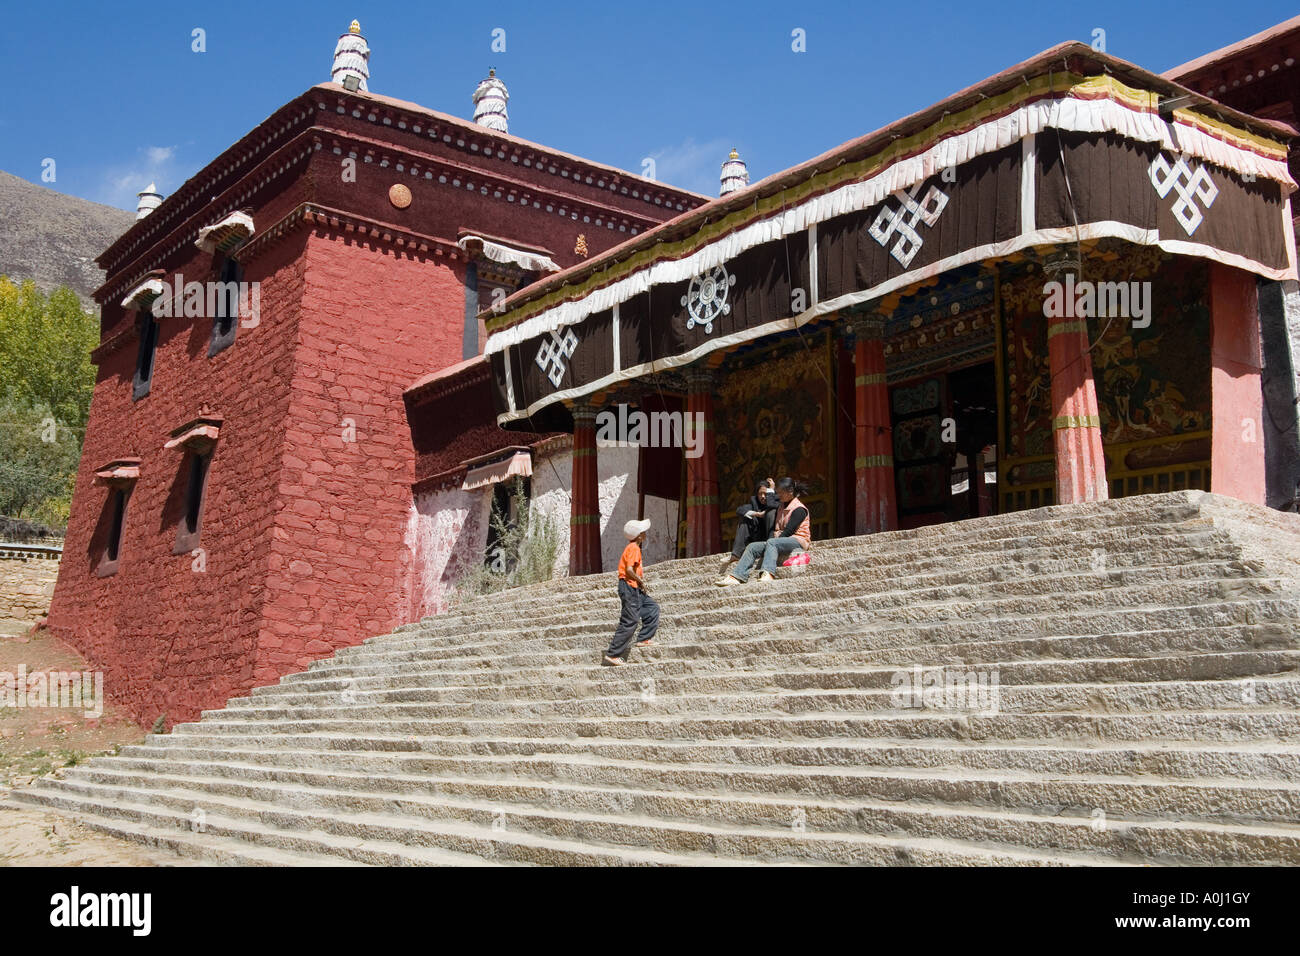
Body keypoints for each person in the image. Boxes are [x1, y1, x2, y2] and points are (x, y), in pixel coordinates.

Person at [715, 478, 811, 586]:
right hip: (778, 541)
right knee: (752, 547)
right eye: (777, 492)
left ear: (790, 492)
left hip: (798, 540)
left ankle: (768, 572)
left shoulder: (799, 509)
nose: (778, 495)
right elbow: (770, 505)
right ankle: (737, 576)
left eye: (780, 492)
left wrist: (773, 541)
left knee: (771, 542)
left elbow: (788, 532)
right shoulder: (781, 505)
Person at [604, 518, 660, 666]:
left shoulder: (632, 547)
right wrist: (641, 581)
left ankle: (644, 638)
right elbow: (629, 570)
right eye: (644, 532)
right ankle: (613, 654)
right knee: (630, 620)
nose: (645, 534)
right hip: (629, 586)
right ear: (639, 535)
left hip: (633, 587)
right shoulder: (634, 548)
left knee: (651, 607)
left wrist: (639, 584)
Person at [720, 477, 778, 568]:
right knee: (745, 519)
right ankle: (736, 555)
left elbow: (772, 505)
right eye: (760, 494)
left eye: (765, 493)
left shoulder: (776, 501)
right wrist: (757, 514)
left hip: (772, 539)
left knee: (771, 512)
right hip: (757, 539)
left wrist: (771, 490)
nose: (763, 496)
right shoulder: (754, 504)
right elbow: (739, 510)